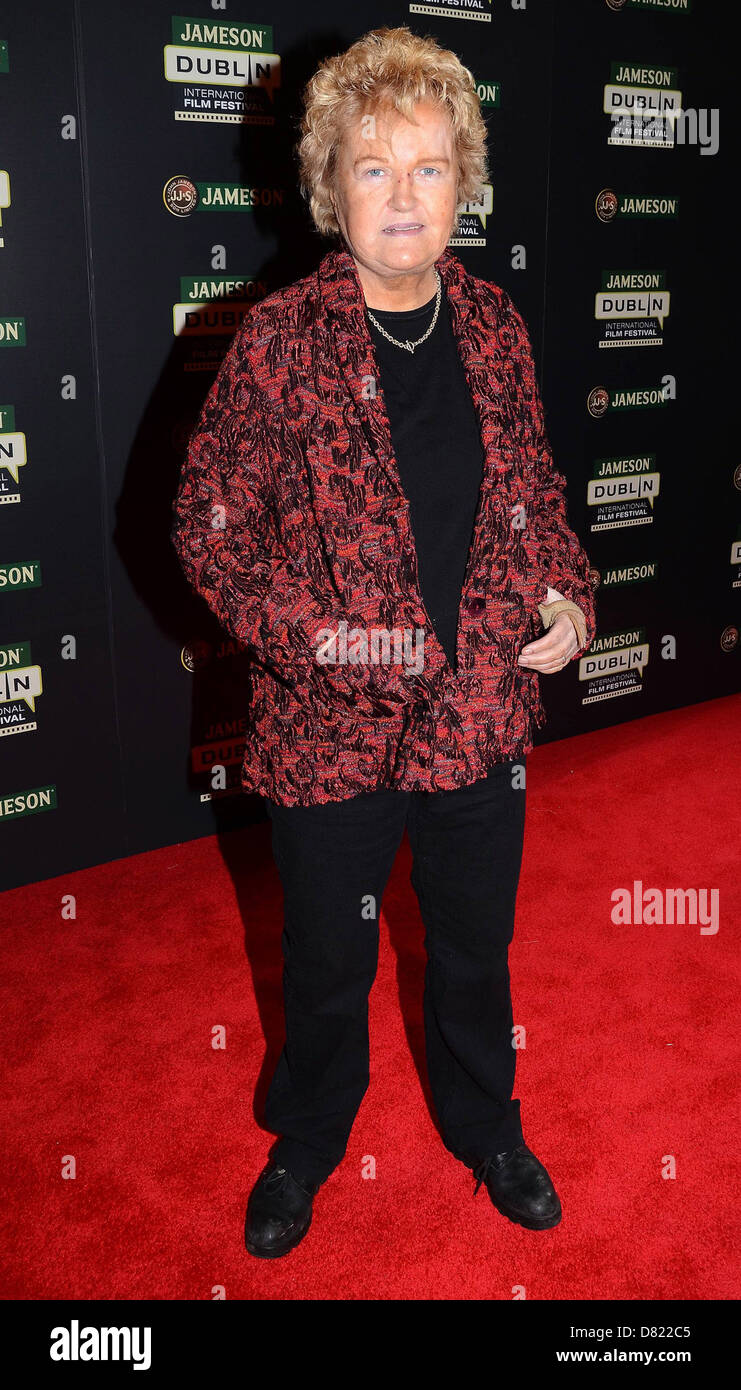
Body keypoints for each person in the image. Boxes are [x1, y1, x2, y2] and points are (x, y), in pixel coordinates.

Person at [171, 25, 596, 1260]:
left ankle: (487, 1125)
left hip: (477, 716)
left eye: (427, 168)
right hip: (329, 728)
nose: (402, 196)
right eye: (373, 167)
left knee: (473, 946)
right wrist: (322, 644)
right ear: (330, 188)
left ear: (464, 185)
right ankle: (307, 1135)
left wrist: (567, 600)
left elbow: (541, 497)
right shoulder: (277, 344)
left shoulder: (500, 329)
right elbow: (206, 527)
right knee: (325, 958)